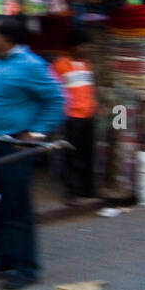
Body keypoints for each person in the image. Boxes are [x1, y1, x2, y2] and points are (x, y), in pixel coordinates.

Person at [0, 16, 66, 289]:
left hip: (14, 148)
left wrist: (35, 133)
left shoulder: (32, 65)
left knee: (16, 208)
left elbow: (57, 101)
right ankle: (4, 258)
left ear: (9, 38)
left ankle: (26, 267)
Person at [52, 28, 97, 203]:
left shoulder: (87, 65)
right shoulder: (60, 65)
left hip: (88, 114)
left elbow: (89, 88)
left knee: (88, 154)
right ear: (74, 47)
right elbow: (55, 91)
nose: (87, 50)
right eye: (84, 46)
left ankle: (87, 189)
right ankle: (70, 192)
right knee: (71, 156)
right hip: (72, 116)